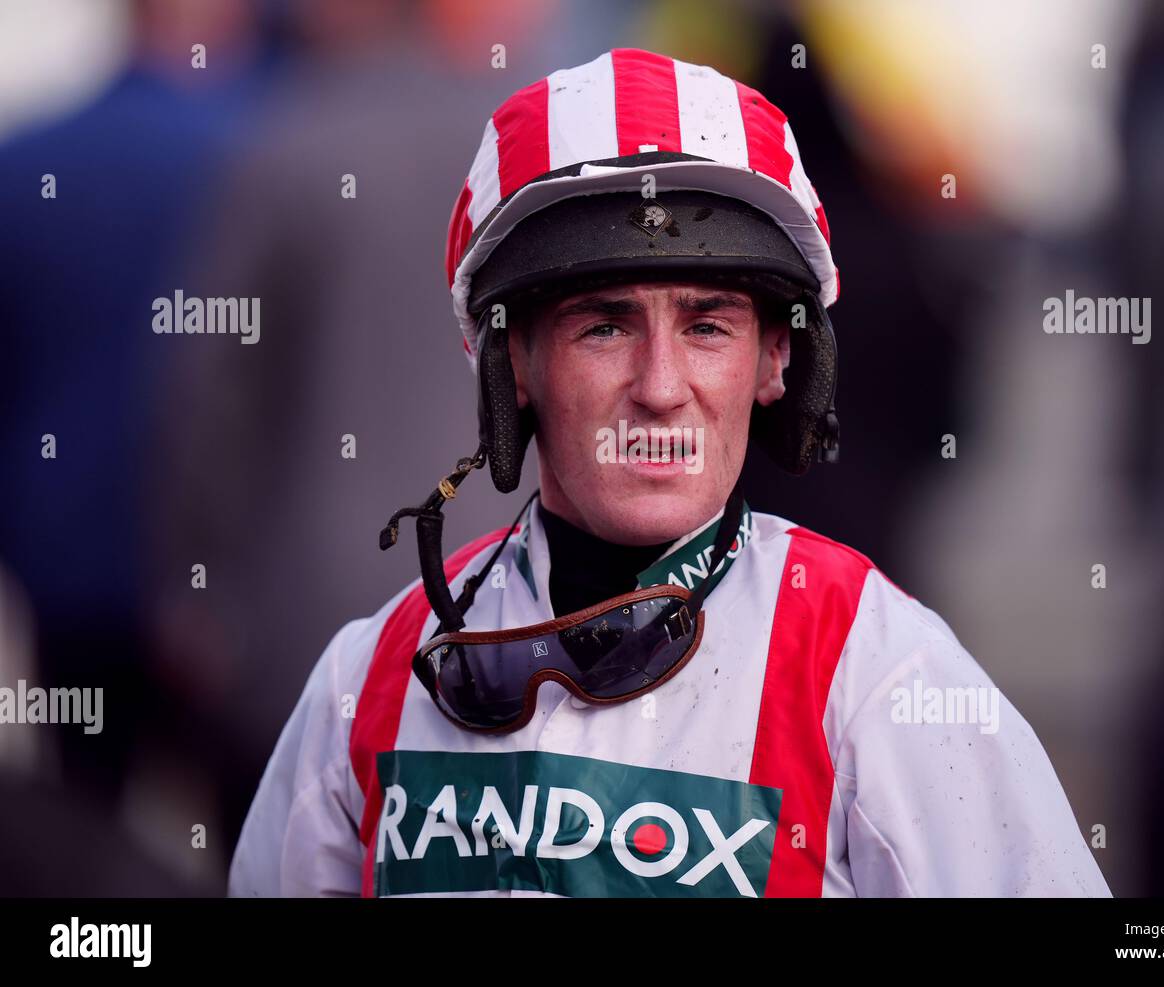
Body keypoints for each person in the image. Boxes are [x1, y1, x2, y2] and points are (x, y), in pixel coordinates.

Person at [229, 48, 1109, 898]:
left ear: (775, 361)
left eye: (707, 326)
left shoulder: (883, 679)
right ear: (516, 366)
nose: (659, 389)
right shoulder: (368, 680)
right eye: (603, 326)